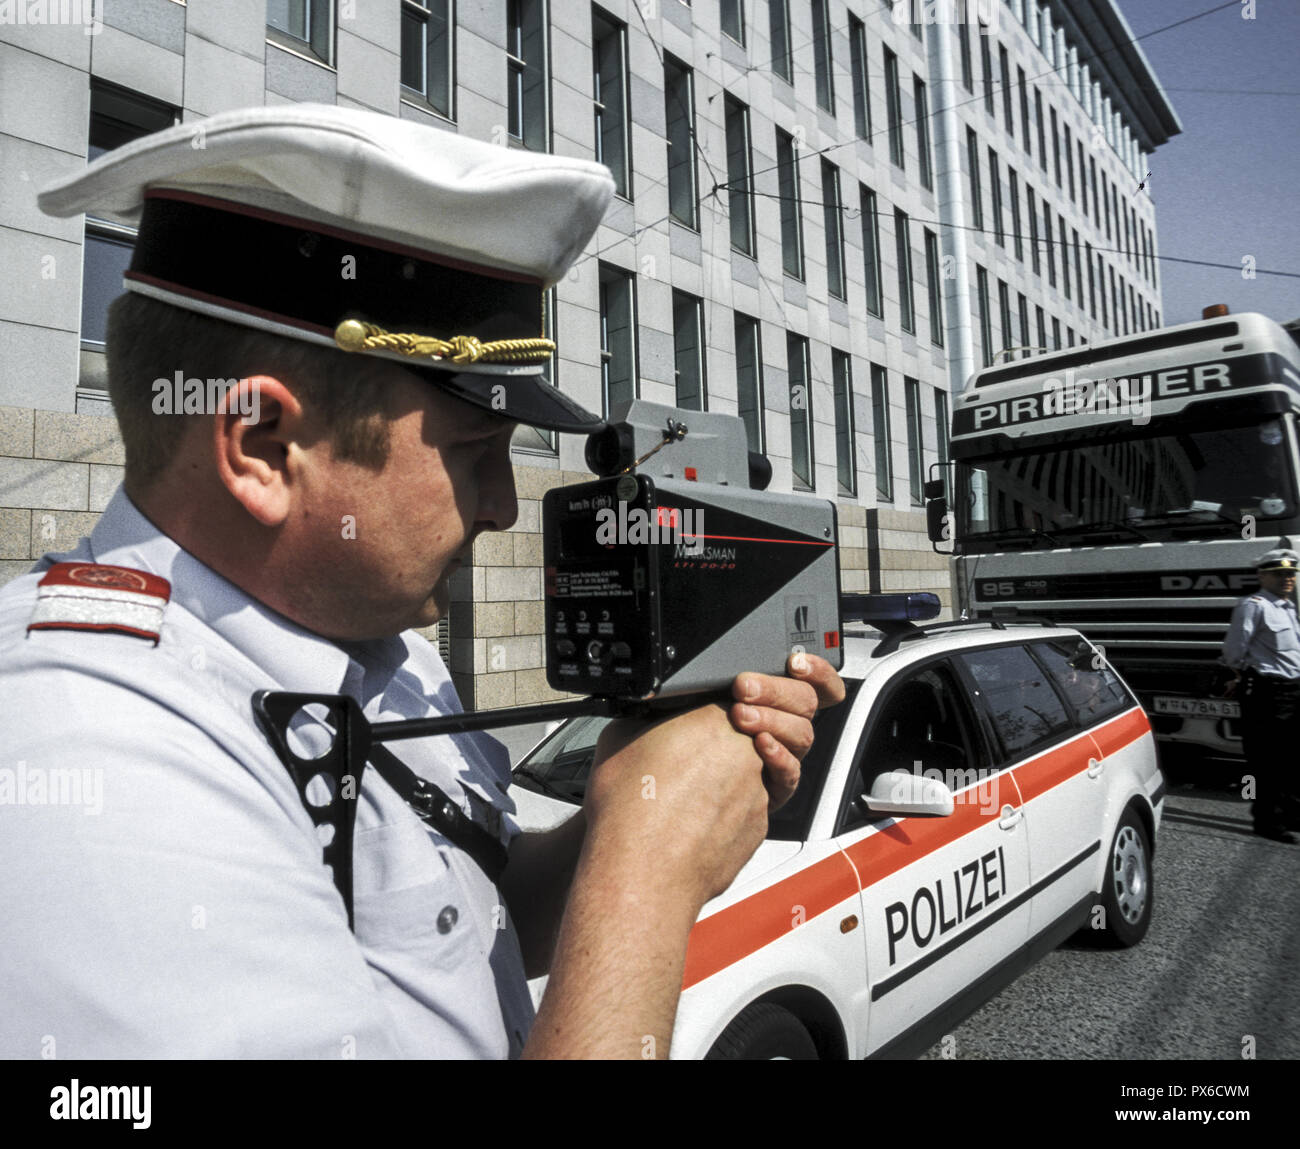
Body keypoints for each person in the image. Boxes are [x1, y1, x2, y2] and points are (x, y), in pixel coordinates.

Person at [0, 105, 843, 1059]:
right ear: (265, 447)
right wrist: (643, 880)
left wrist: (640, 804)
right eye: (477, 451)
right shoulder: (92, 767)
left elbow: (455, 917)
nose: (505, 507)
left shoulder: (380, 650)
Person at [1221, 548, 1300, 844]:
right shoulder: (1253, 606)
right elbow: (1234, 650)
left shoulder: (1287, 607)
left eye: (1291, 574)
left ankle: (1292, 814)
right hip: (1267, 691)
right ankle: (1268, 821)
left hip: (1293, 689)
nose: (1287, 579)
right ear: (1262, 576)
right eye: (1279, 574)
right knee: (1268, 760)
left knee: (1293, 758)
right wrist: (1244, 674)